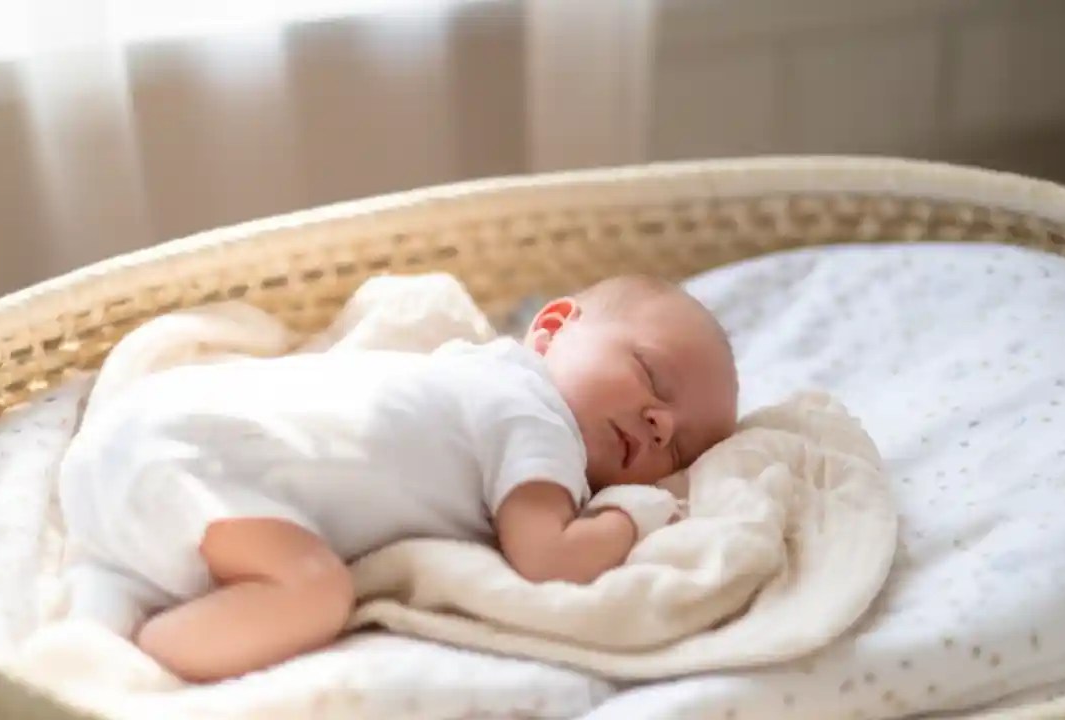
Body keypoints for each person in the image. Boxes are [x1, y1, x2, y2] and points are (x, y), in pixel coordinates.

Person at [58, 274, 739, 682]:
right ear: (551, 328)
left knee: (99, 622)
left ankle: (98, 632)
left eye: (678, 449)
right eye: (652, 378)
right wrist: (637, 513)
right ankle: (147, 662)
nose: (656, 423)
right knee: (314, 593)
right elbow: (550, 560)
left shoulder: (469, 372)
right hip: (187, 462)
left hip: (139, 452)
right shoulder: (536, 417)